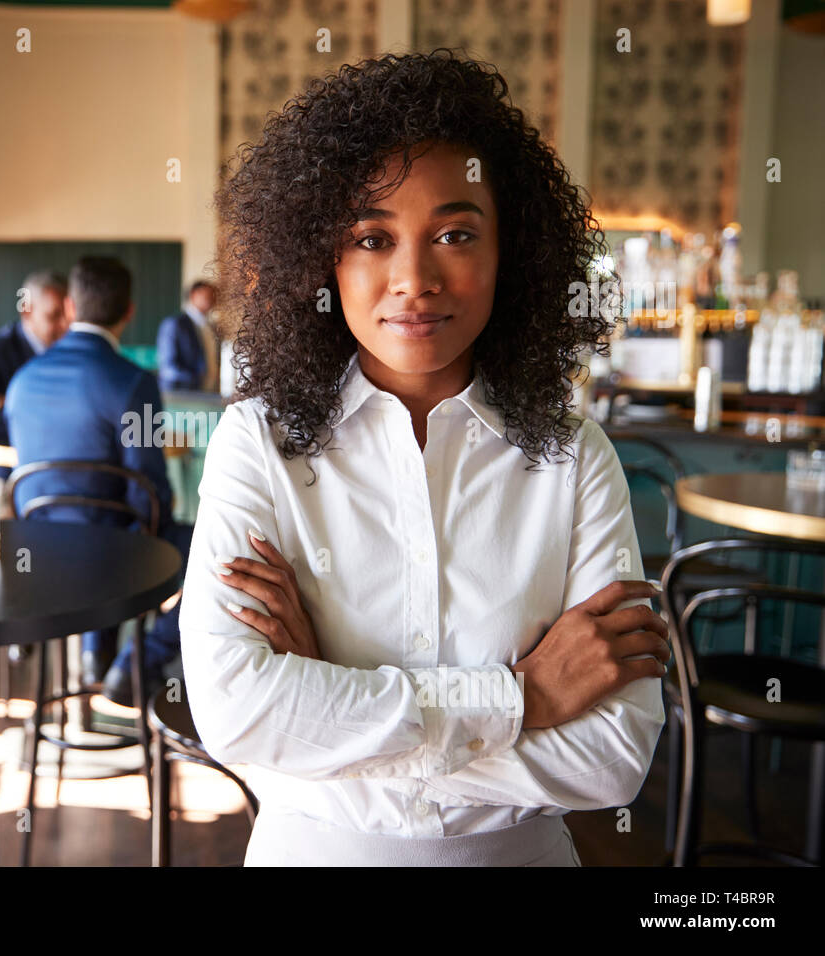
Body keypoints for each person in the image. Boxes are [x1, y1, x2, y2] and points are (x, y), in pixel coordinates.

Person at [179, 51, 670, 866]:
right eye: (372, 237)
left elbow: (613, 760)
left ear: (511, 252)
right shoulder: (257, 445)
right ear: (323, 262)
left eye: (454, 233)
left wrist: (332, 711)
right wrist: (525, 697)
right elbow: (236, 715)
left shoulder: (575, 460)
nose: (414, 278)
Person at [5, 257, 193, 705]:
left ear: (70, 307)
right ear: (129, 311)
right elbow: (149, 495)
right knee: (221, 551)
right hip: (106, 561)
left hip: (34, 558)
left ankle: (96, 651)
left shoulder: (22, 380)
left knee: (105, 532)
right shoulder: (134, 383)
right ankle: (140, 660)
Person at [0, 270, 70, 486]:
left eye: (67, 316)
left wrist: (13, 405)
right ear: (27, 309)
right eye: (54, 315)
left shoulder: (73, 351)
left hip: (61, 467)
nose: (64, 326)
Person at [156, 281, 219, 392]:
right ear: (193, 295)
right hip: (181, 396)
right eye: (206, 294)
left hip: (208, 393)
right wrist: (197, 378)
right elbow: (168, 367)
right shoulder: (174, 324)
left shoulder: (211, 327)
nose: (211, 298)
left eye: (213, 294)